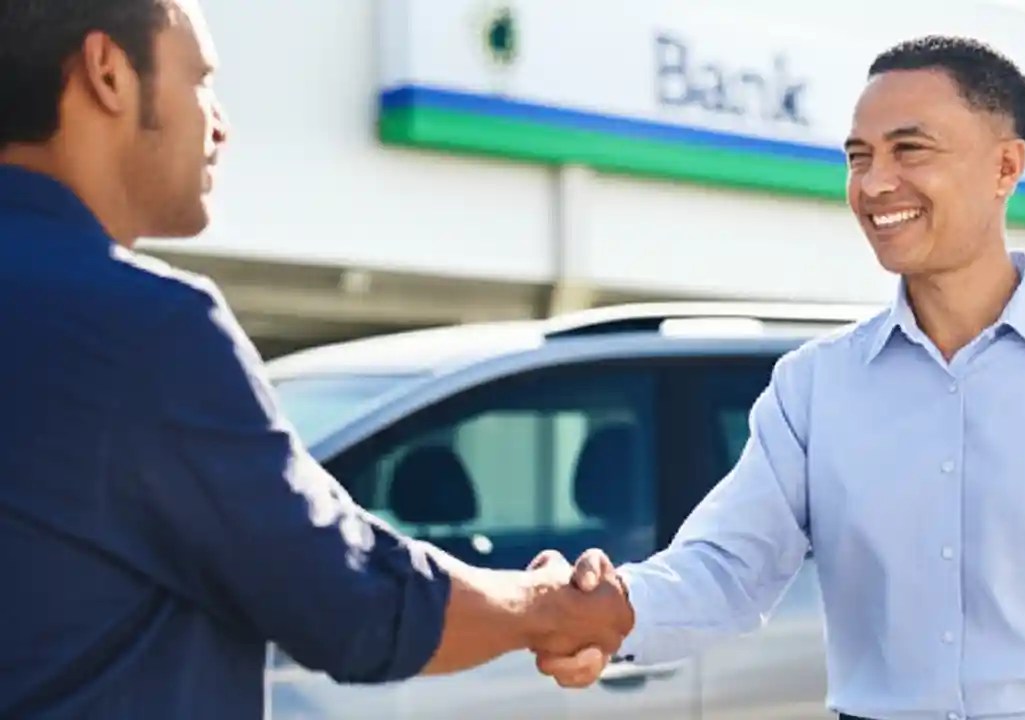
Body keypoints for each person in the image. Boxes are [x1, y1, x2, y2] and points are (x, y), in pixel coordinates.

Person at [534, 35, 1025, 719]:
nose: (875, 183)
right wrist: (614, 609)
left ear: (1006, 167)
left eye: (910, 149)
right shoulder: (815, 387)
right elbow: (728, 565)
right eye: (858, 156)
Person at [0, 1, 631, 718]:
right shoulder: (144, 331)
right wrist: (541, 606)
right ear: (107, 73)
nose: (219, 123)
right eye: (199, 79)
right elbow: (347, 599)